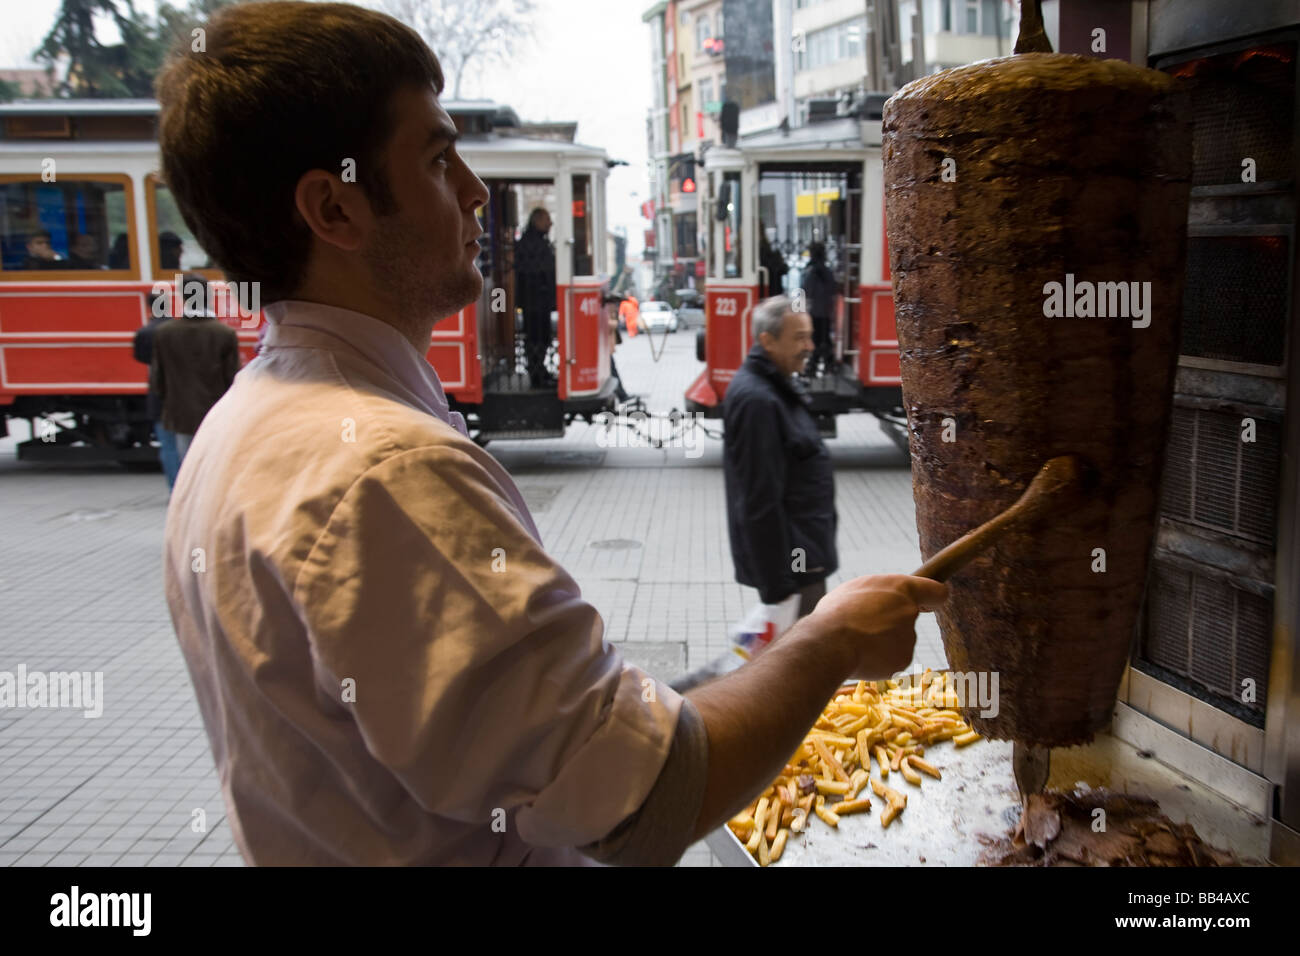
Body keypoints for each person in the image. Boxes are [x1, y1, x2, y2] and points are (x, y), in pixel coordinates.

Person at [155, 0, 945, 867]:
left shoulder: (238, 426)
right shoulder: (384, 474)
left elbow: (522, 736)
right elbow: (645, 800)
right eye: (435, 157)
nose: (474, 190)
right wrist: (828, 640)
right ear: (334, 209)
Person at [723, 295, 838, 618]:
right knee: (806, 663)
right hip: (794, 572)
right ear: (767, 341)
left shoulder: (776, 389)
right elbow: (759, 499)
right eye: (799, 337)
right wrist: (779, 587)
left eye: (810, 335)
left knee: (809, 660)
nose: (810, 346)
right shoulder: (758, 400)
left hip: (804, 559)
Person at [148, 273, 241, 467]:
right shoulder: (224, 333)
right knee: (214, 465)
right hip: (216, 411)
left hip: (180, 412)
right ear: (208, 296)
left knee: (188, 466)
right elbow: (232, 379)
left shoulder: (165, 332)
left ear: (183, 297)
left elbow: (157, 380)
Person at [132, 297, 181, 489]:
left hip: (159, 395)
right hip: (184, 394)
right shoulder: (179, 330)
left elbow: (140, 357)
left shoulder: (145, 333)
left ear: (149, 307)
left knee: (168, 447)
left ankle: (175, 490)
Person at [514, 207, 556, 387]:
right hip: (535, 302)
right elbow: (536, 272)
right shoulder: (531, 244)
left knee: (542, 337)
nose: (550, 223)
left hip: (539, 302)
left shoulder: (536, 242)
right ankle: (537, 374)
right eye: (546, 220)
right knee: (536, 338)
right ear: (537, 221)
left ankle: (540, 371)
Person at [800, 241, 838, 373]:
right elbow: (833, 288)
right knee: (825, 336)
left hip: (815, 310)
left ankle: (814, 363)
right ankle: (828, 362)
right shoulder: (826, 270)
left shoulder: (811, 270)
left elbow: (806, 289)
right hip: (826, 310)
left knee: (815, 337)